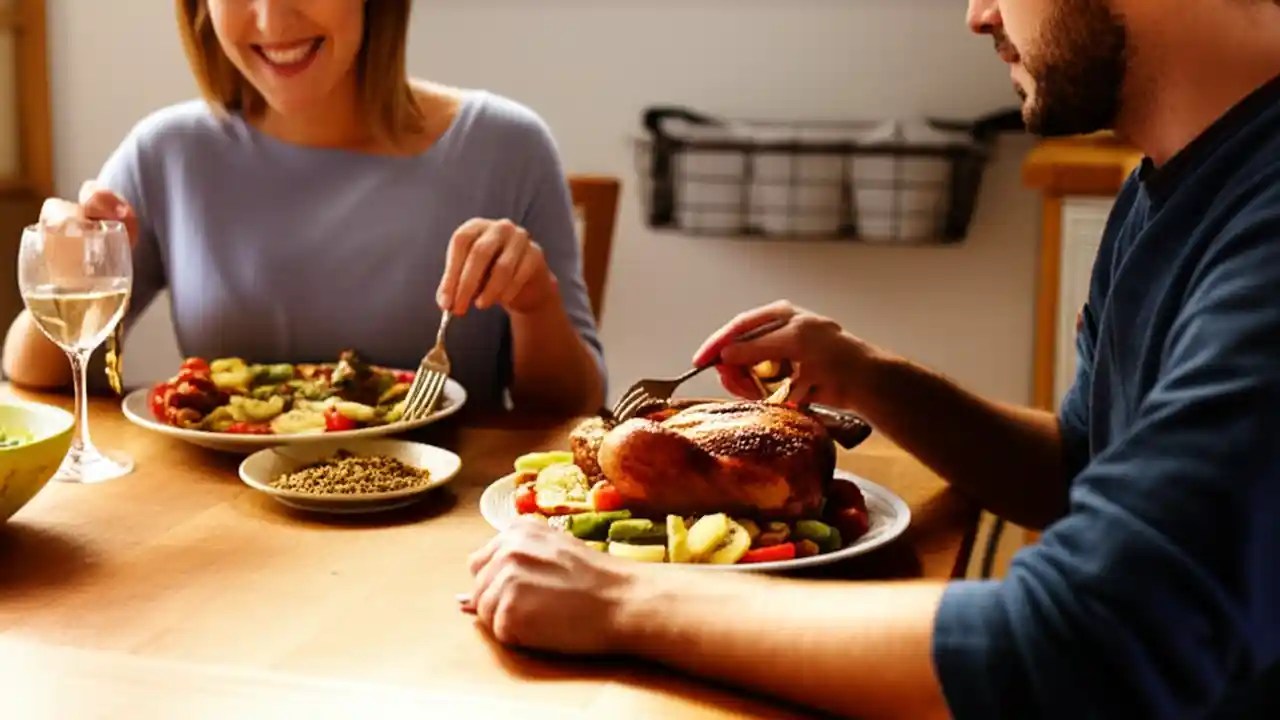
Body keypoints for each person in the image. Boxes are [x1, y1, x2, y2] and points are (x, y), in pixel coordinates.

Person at [465, 1, 1280, 718]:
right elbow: (1079, 468)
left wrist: (625, 600)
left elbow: (1087, 643)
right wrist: (866, 375)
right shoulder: (1168, 183)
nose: (979, 14)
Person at [1, 0, 605, 416]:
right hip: (221, 535)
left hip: (441, 530)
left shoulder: (507, 145)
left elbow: (571, 407)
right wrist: (66, 273)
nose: (271, 19)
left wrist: (534, 302)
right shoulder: (169, 151)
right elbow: (33, 374)